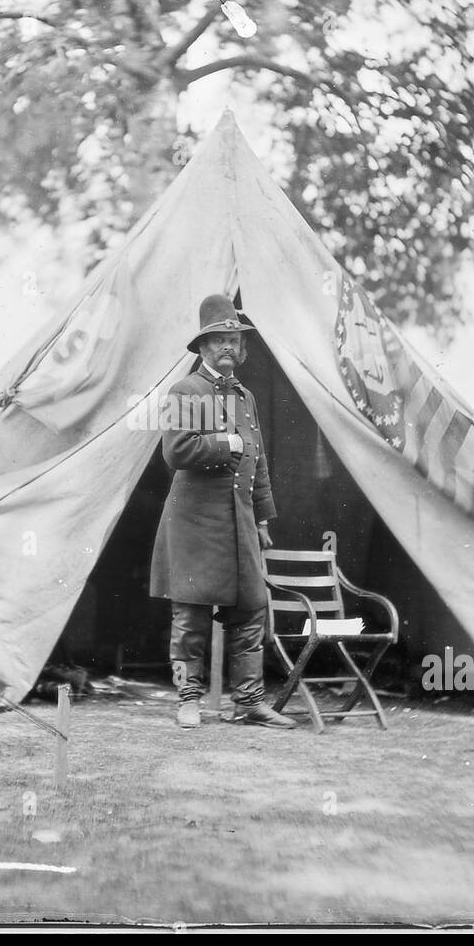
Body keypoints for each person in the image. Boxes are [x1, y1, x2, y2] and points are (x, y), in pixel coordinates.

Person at [150, 294, 296, 730]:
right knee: (191, 616)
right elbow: (175, 451)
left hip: (240, 522)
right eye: (218, 339)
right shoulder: (185, 391)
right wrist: (221, 444)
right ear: (202, 346)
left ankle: (249, 702)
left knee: (251, 611)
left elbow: (259, 459)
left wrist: (263, 517)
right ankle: (189, 700)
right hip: (195, 524)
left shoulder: (246, 397)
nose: (228, 345)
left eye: (234, 337)